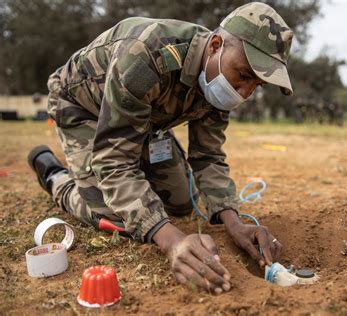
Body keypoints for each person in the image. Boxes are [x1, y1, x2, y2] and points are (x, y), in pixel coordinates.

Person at [27, 2, 293, 295]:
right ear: (215, 45)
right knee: (121, 214)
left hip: (144, 120)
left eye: (256, 85)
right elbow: (114, 161)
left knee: (178, 202)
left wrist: (233, 221)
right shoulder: (147, 56)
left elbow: (209, 156)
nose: (243, 93)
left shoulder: (220, 77)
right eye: (244, 75)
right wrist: (171, 241)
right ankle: (54, 176)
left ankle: (142, 159)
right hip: (81, 107)